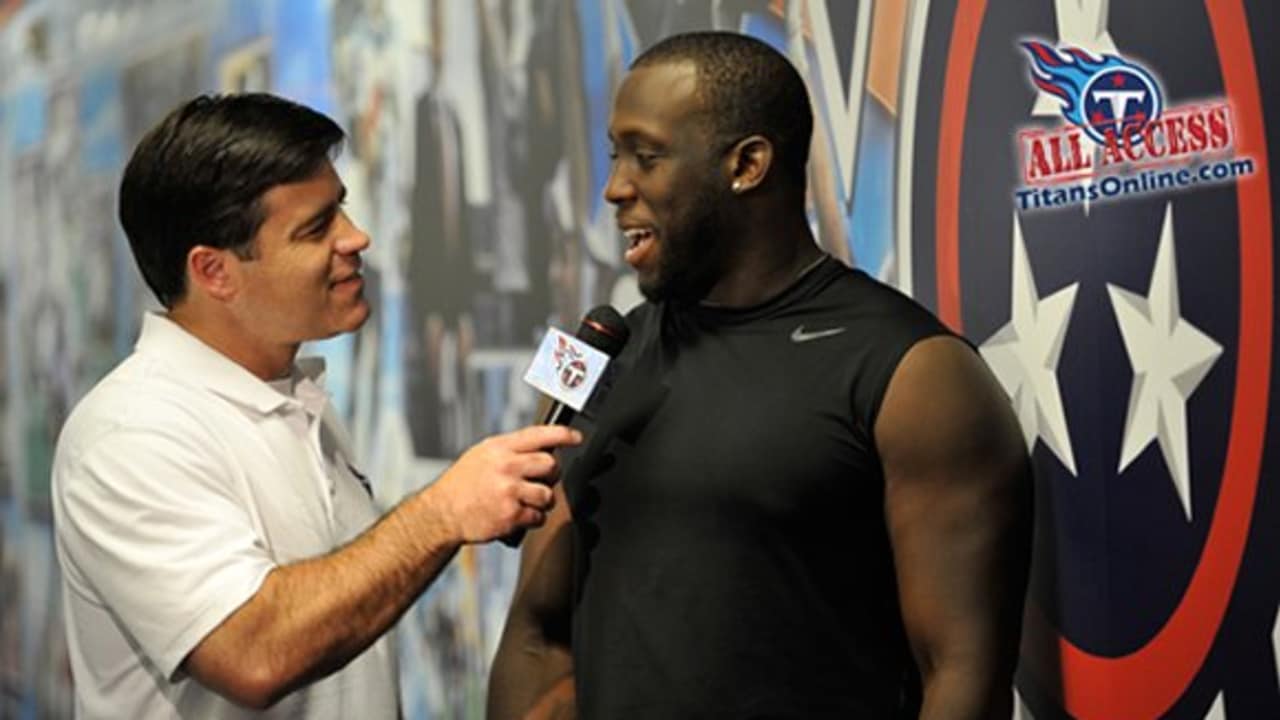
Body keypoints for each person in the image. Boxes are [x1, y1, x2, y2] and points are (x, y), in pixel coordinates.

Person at [488, 31, 1033, 719]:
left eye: (646, 156)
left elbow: (961, 676)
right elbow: (537, 634)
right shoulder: (595, 353)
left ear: (747, 165)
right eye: (615, 155)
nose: (615, 187)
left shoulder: (915, 373)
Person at [51, 93, 581, 719]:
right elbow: (252, 653)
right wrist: (442, 513)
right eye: (315, 228)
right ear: (214, 271)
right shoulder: (131, 434)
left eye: (342, 210)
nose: (356, 238)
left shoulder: (295, 400)